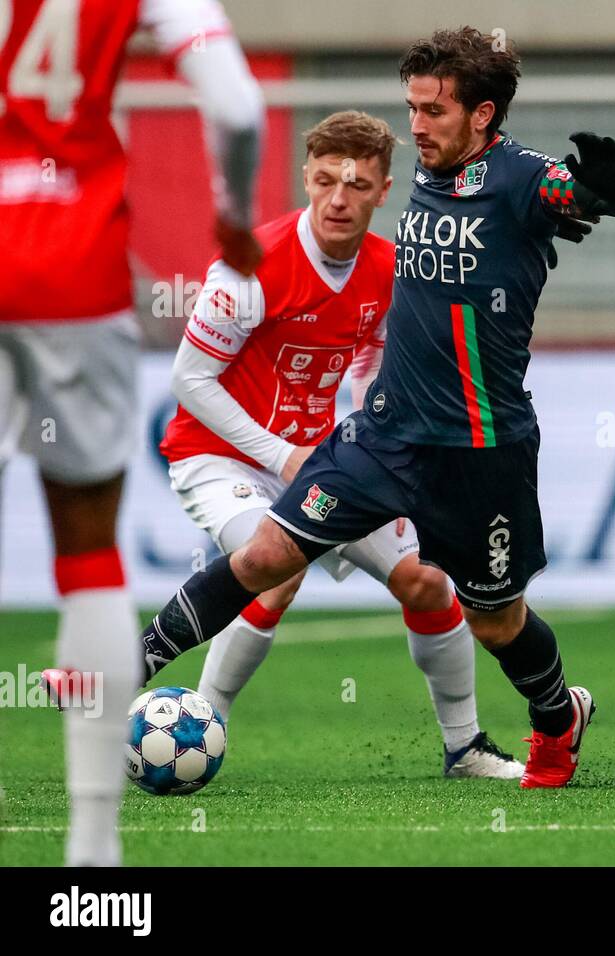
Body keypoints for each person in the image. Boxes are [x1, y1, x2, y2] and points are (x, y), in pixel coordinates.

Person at [131, 26, 615, 789]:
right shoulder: (428, 173)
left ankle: (556, 719)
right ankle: (120, 669)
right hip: (383, 435)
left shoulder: (521, 177)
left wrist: (614, 187)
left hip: (481, 446)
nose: (417, 125)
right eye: (412, 107)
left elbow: (589, 196)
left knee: (494, 619)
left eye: (433, 110)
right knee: (267, 557)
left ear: (483, 114)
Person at [161, 110, 522, 778]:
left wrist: (379, 452)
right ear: (306, 177)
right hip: (218, 458)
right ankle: (200, 732)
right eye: (325, 180)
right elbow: (189, 379)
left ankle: (465, 748)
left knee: (429, 580)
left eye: (356, 185)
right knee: (276, 566)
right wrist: (280, 454)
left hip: (320, 458)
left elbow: (375, 367)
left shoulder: (393, 269)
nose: (338, 198)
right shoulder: (251, 268)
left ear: (385, 189)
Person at [2, 0, 264, 866]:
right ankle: (93, 850)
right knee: (88, 556)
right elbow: (235, 108)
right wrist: (231, 217)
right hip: (73, 269)